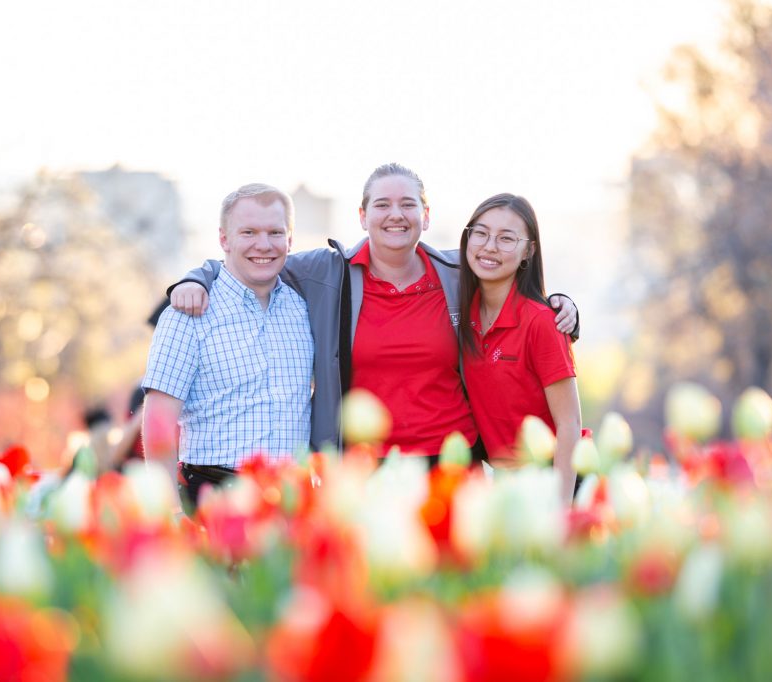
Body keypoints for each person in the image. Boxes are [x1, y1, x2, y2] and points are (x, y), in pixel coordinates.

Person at [168, 163, 578, 459]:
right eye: (382, 205)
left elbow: (509, 278)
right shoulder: (329, 273)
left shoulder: (458, 274)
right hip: (363, 468)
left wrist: (562, 305)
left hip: (451, 460)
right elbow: (257, 258)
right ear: (363, 217)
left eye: (408, 204)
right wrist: (196, 277)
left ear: (426, 216)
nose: (395, 215)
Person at [141, 183, 314, 512]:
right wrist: (170, 514)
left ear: (289, 239)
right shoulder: (188, 314)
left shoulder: (304, 308)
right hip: (214, 498)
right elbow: (158, 422)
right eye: (248, 232)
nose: (263, 245)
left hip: (291, 503)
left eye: (275, 232)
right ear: (224, 238)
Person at [459, 193, 580, 501]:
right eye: (481, 233)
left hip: (556, 480)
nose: (489, 247)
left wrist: (561, 508)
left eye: (506, 238)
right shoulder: (461, 313)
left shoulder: (541, 322)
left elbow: (570, 424)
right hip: (506, 484)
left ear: (529, 251)